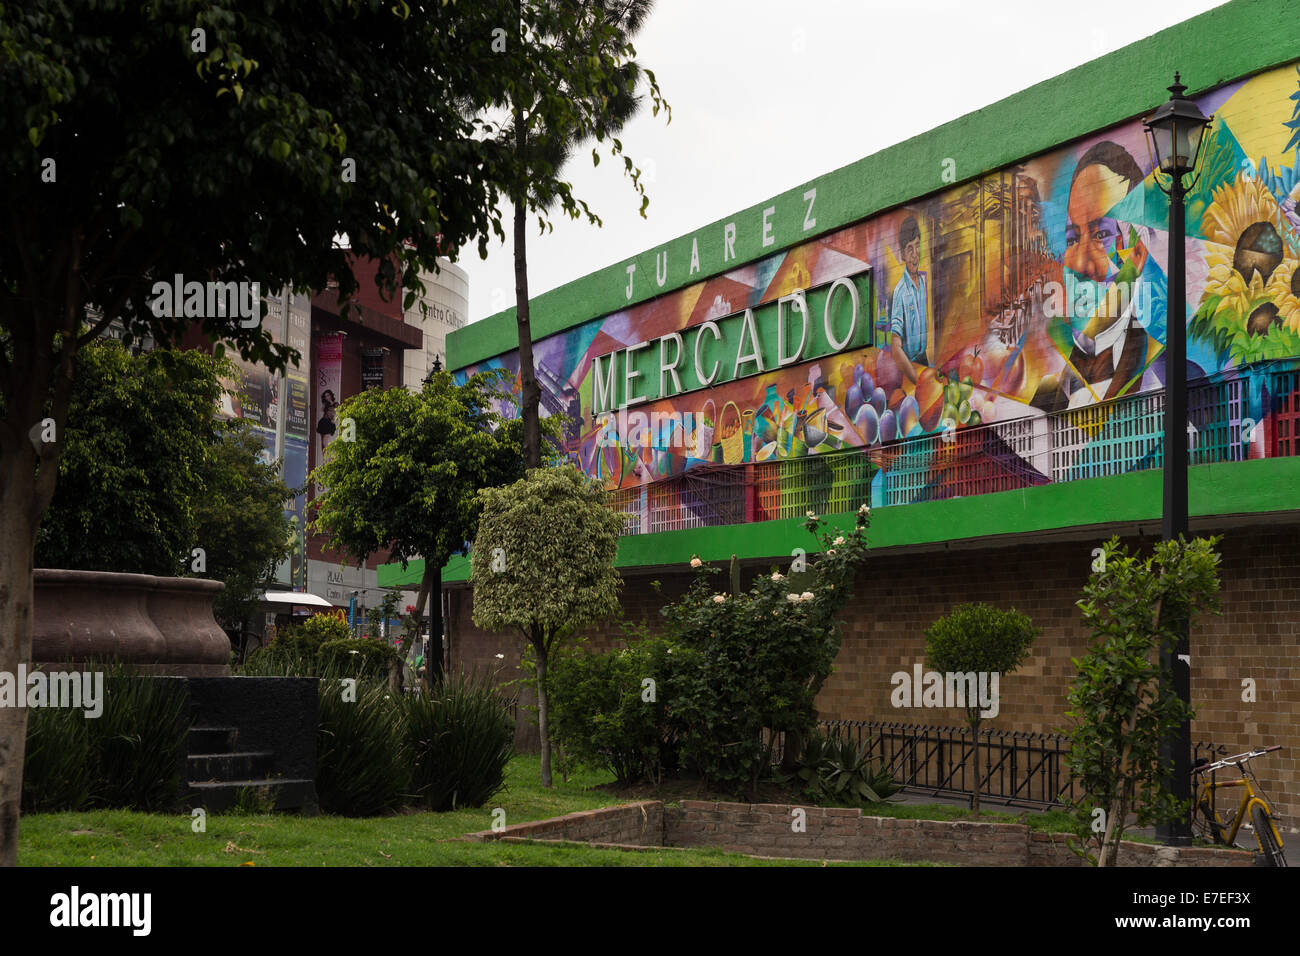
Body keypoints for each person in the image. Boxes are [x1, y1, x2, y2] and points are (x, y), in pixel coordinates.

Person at [1031, 141, 1196, 410]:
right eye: (1073, 238)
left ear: (1139, 252)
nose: (1083, 263)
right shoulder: (1048, 395)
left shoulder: (1177, 382)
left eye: (1102, 235)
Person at [890, 215, 929, 385]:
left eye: (917, 246)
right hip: (909, 368)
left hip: (924, 360)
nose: (915, 255)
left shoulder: (923, 282)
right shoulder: (900, 291)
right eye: (909, 249)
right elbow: (896, 347)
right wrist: (916, 379)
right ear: (903, 255)